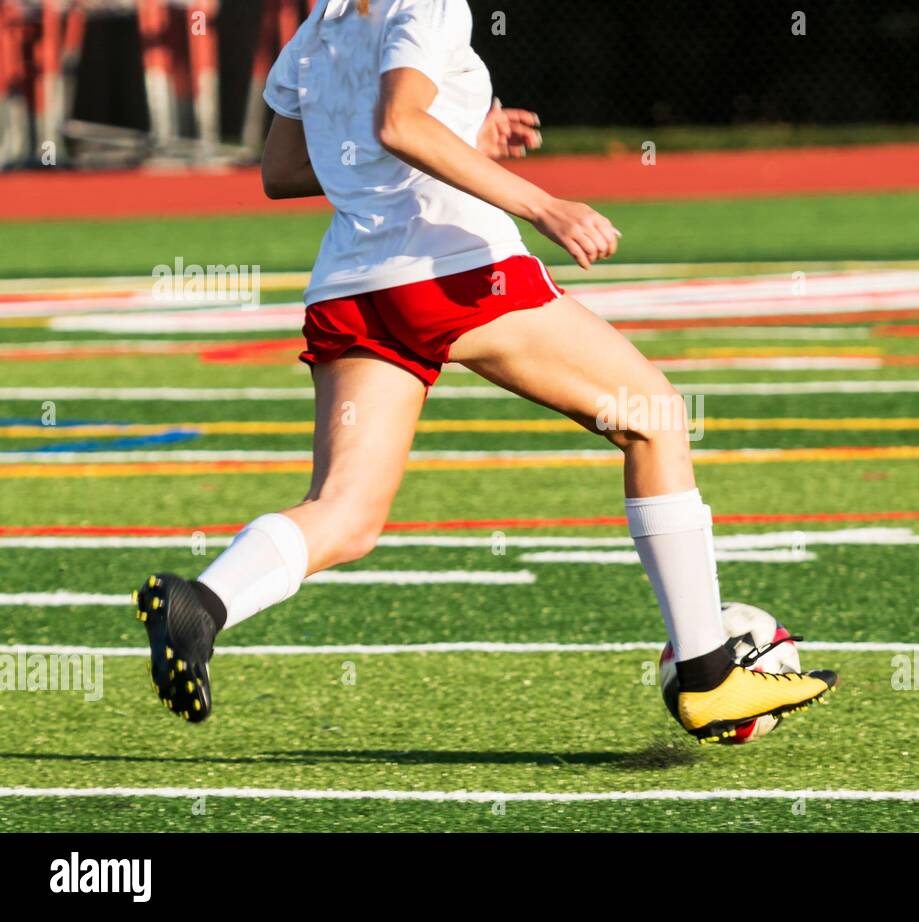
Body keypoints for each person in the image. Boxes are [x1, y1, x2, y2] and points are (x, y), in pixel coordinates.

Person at [132, 0, 837, 743]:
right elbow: (400, 124)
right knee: (653, 417)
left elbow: (282, 170)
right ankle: (708, 675)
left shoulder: (324, 22)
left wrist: (465, 136)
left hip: (354, 286)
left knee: (345, 514)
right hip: (453, 273)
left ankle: (202, 604)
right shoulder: (429, 3)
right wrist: (544, 205)